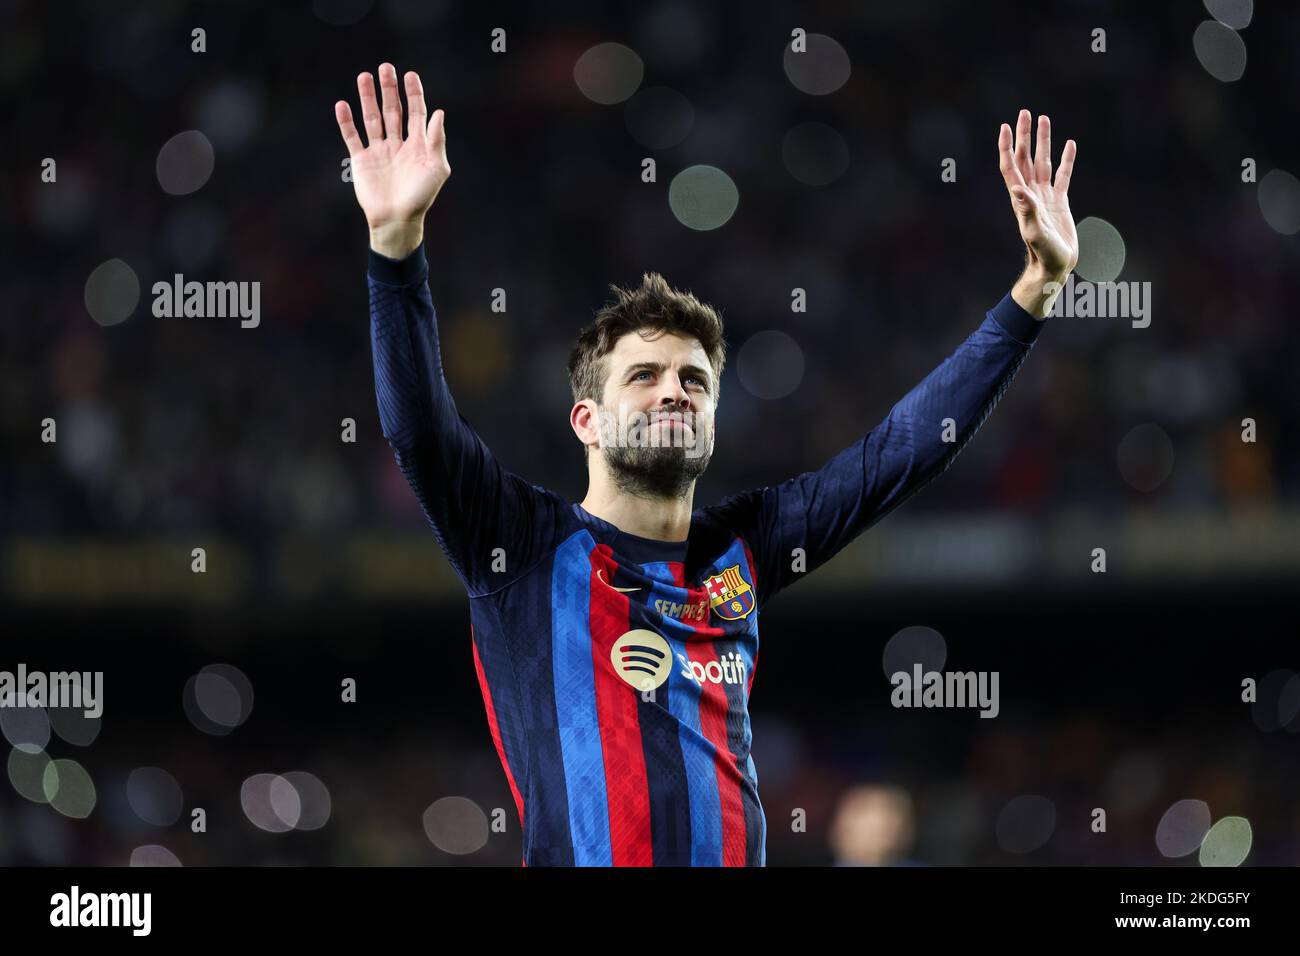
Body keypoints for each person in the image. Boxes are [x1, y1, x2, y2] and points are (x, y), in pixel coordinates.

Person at [335, 63, 1079, 866]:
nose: (674, 393)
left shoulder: (745, 550)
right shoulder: (519, 545)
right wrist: (395, 246)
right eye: (645, 376)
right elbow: (418, 429)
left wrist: (1035, 289)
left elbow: (901, 451)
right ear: (586, 418)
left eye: (695, 381)